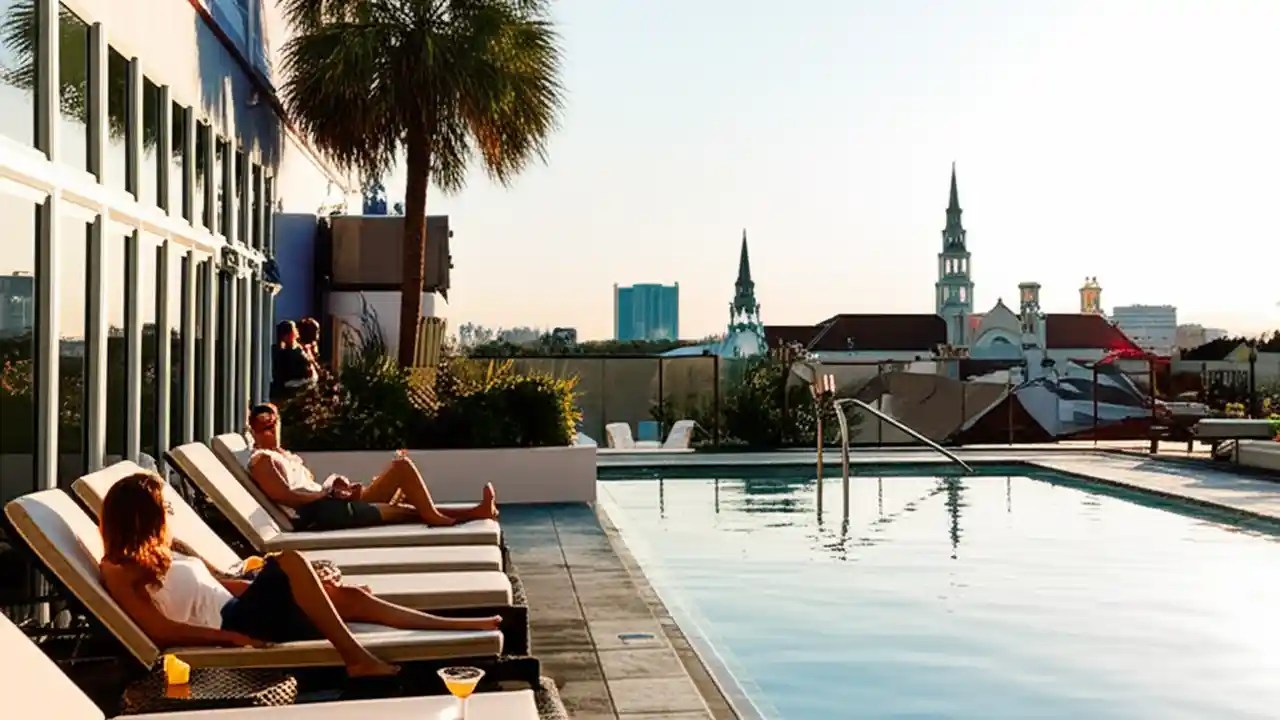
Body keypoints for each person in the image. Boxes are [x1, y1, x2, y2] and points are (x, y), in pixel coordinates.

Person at [97, 471, 501, 677]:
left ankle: (466, 624)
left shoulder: (167, 551)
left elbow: (223, 584)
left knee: (350, 598)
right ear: (142, 515)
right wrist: (229, 637)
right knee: (290, 558)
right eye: (164, 508)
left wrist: (310, 590)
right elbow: (159, 630)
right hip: (237, 623)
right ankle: (355, 658)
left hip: (245, 607)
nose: (170, 514)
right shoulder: (117, 568)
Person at [246, 403, 498, 531]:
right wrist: (328, 494)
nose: (271, 429)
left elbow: (304, 488)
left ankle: (475, 511)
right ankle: (455, 515)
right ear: (253, 431)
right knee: (400, 492)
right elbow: (287, 497)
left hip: (329, 502)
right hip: (320, 514)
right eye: (264, 426)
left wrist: (335, 486)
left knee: (402, 474)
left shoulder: (285, 455)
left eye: (274, 422)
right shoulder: (263, 460)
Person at [270, 320, 317, 400]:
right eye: (294, 329)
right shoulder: (284, 353)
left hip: (304, 385)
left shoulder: (299, 348)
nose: (296, 331)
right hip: (293, 389)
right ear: (286, 335)